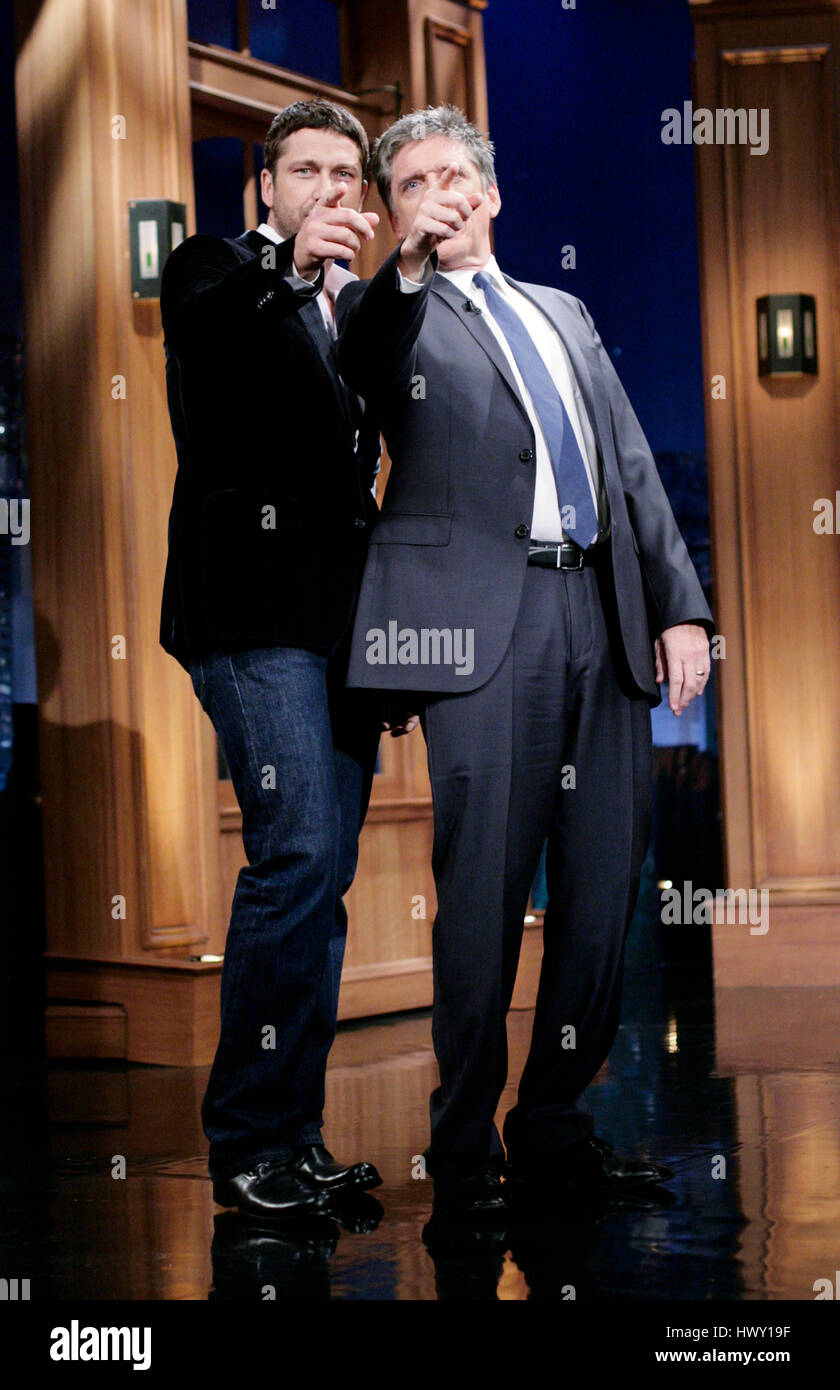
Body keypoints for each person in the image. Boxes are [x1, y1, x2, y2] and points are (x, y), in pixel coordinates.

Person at [336, 105, 714, 1216]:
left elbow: (630, 461)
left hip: (597, 613)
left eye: (456, 176)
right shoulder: (387, 313)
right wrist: (402, 269)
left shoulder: (563, 309)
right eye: (412, 184)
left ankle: (552, 1122)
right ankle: (462, 1151)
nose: (441, 194)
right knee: (485, 896)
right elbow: (363, 366)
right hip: (477, 635)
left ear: (494, 195)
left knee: (603, 892)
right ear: (396, 212)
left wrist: (680, 607)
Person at [159, 99, 384, 1219]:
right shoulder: (214, 270)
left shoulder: (352, 312)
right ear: (267, 185)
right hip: (249, 620)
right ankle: (247, 1139)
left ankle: (290, 1137)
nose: (331, 190)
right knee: (294, 852)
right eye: (308, 171)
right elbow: (211, 337)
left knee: (324, 874)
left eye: (348, 174)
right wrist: (291, 269)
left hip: (342, 634)